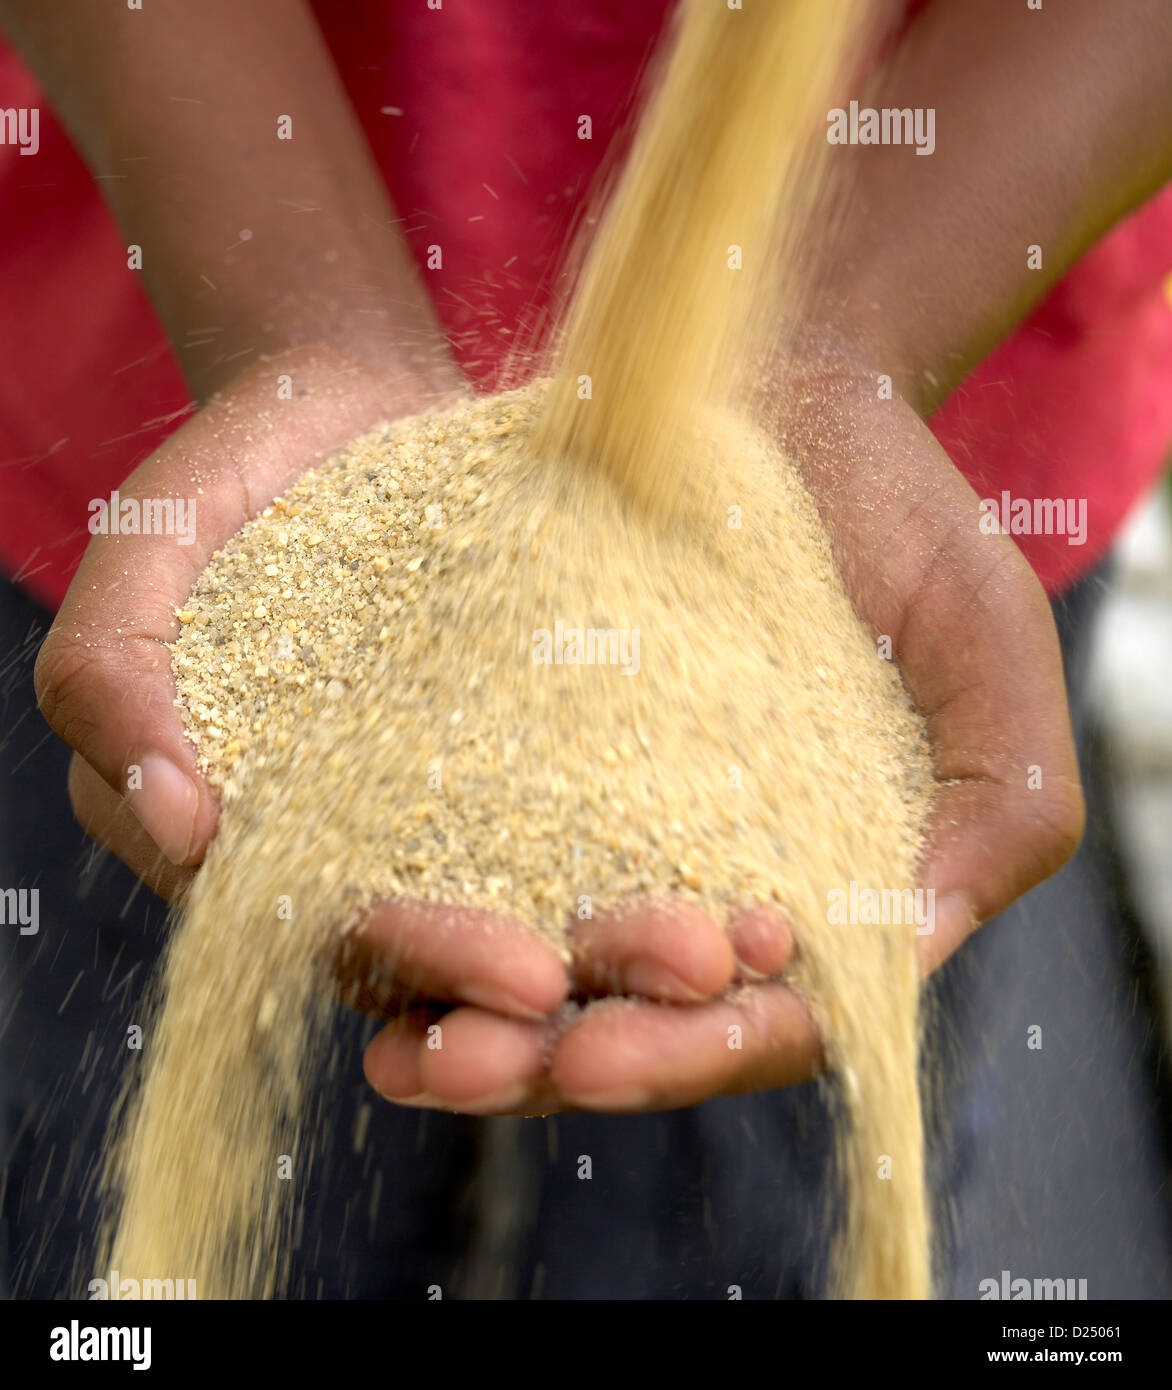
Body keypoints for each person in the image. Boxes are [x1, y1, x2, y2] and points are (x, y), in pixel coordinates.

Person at [1, 0, 1170, 1298]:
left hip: (955, 359)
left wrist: (846, 336)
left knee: (763, 1229)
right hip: (173, 236)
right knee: (160, 1180)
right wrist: (291, 312)